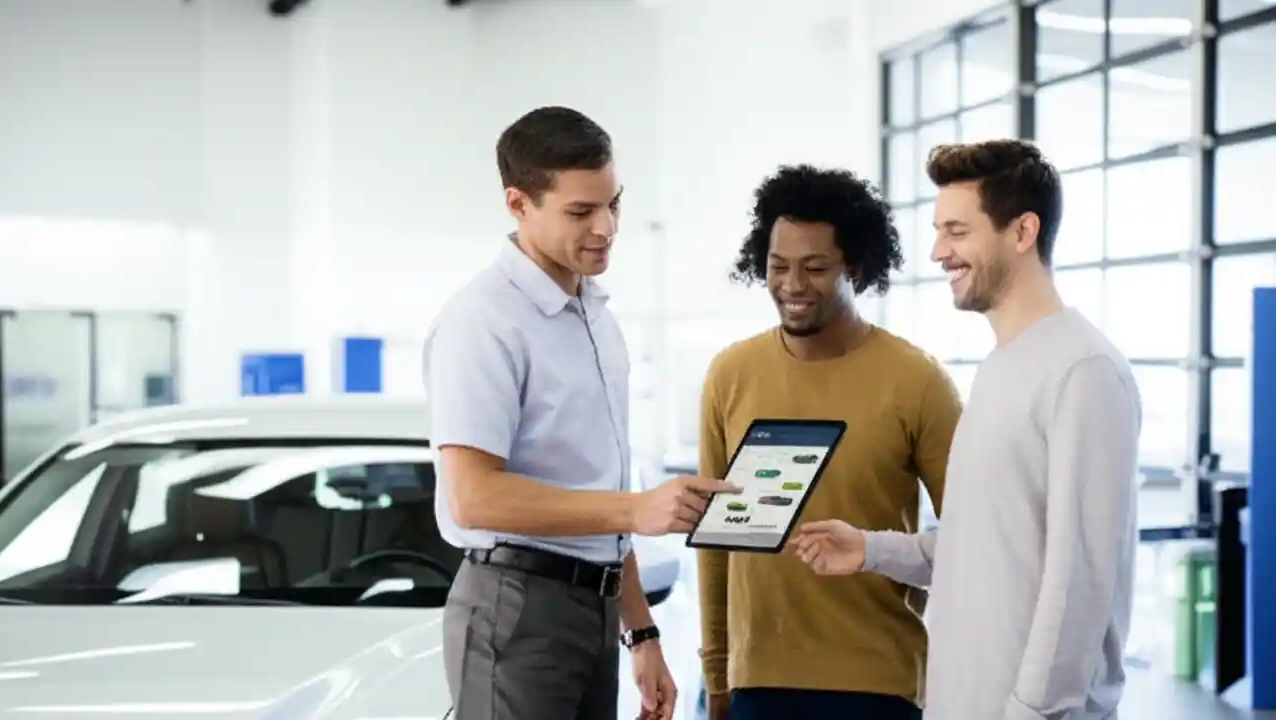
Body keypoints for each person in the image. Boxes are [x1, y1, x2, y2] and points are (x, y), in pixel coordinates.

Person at [789, 140, 1142, 720]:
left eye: (956, 231)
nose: (936, 251)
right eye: (937, 230)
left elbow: (1079, 578)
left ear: (1022, 231)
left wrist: (1033, 712)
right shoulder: (1003, 366)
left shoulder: (1084, 371)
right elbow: (990, 547)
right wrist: (872, 549)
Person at [424, 105, 737, 720]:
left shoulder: (597, 320)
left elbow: (594, 489)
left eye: (613, 203)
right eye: (580, 211)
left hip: (592, 609)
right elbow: (474, 499)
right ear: (517, 204)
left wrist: (641, 632)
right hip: (516, 607)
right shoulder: (483, 321)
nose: (607, 227)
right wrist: (638, 509)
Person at [695, 164, 963, 720]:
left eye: (816, 268)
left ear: (856, 267)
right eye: (778, 267)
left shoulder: (917, 381)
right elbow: (716, 546)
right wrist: (716, 673)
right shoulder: (731, 374)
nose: (793, 286)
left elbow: (973, 545)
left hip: (879, 682)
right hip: (758, 679)